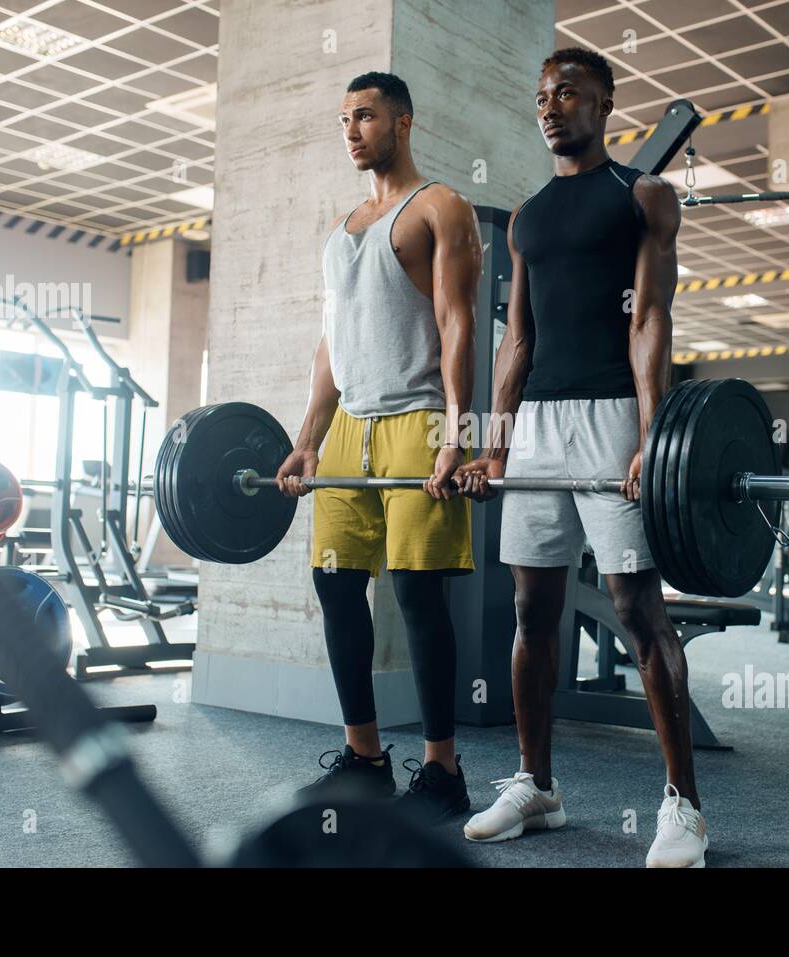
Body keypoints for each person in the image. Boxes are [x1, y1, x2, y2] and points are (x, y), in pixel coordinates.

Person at [453, 48, 706, 867]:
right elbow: (516, 339)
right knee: (532, 611)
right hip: (537, 427)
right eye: (541, 96)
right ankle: (537, 784)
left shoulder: (643, 196)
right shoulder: (527, 215)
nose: (550, 107)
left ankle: (683, 807)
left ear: (604, 103)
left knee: (638, 607)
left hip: (609, 418)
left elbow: (649, 322)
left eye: (568, 93)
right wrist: (494, 446)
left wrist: (650, 435)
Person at [276, 71, 482, 824]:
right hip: (349, 431)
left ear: (404, 121)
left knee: (419, 594)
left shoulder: (439, 207)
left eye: (365, 116)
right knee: (337, 588)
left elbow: (458, 321)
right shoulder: (342, 229)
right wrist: (307, 440)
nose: (352, 131)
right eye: (344, 120)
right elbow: (332, 344)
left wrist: (458, 434)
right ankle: (363, 758)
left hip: (417, 420)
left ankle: (442, 768)